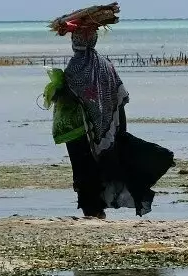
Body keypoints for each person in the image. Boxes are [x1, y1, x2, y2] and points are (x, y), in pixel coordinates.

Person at [53, 22, 173, 219]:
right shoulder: (106, 65)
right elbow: (119, 97)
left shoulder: (76, 66)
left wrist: (56, 90)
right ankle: (96, 211)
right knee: (97, 170)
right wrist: (116, 127)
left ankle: (92, 211)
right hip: (106, 130)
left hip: (81, 131)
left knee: (84, 170)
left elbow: (73, 95)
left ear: (76, 42)